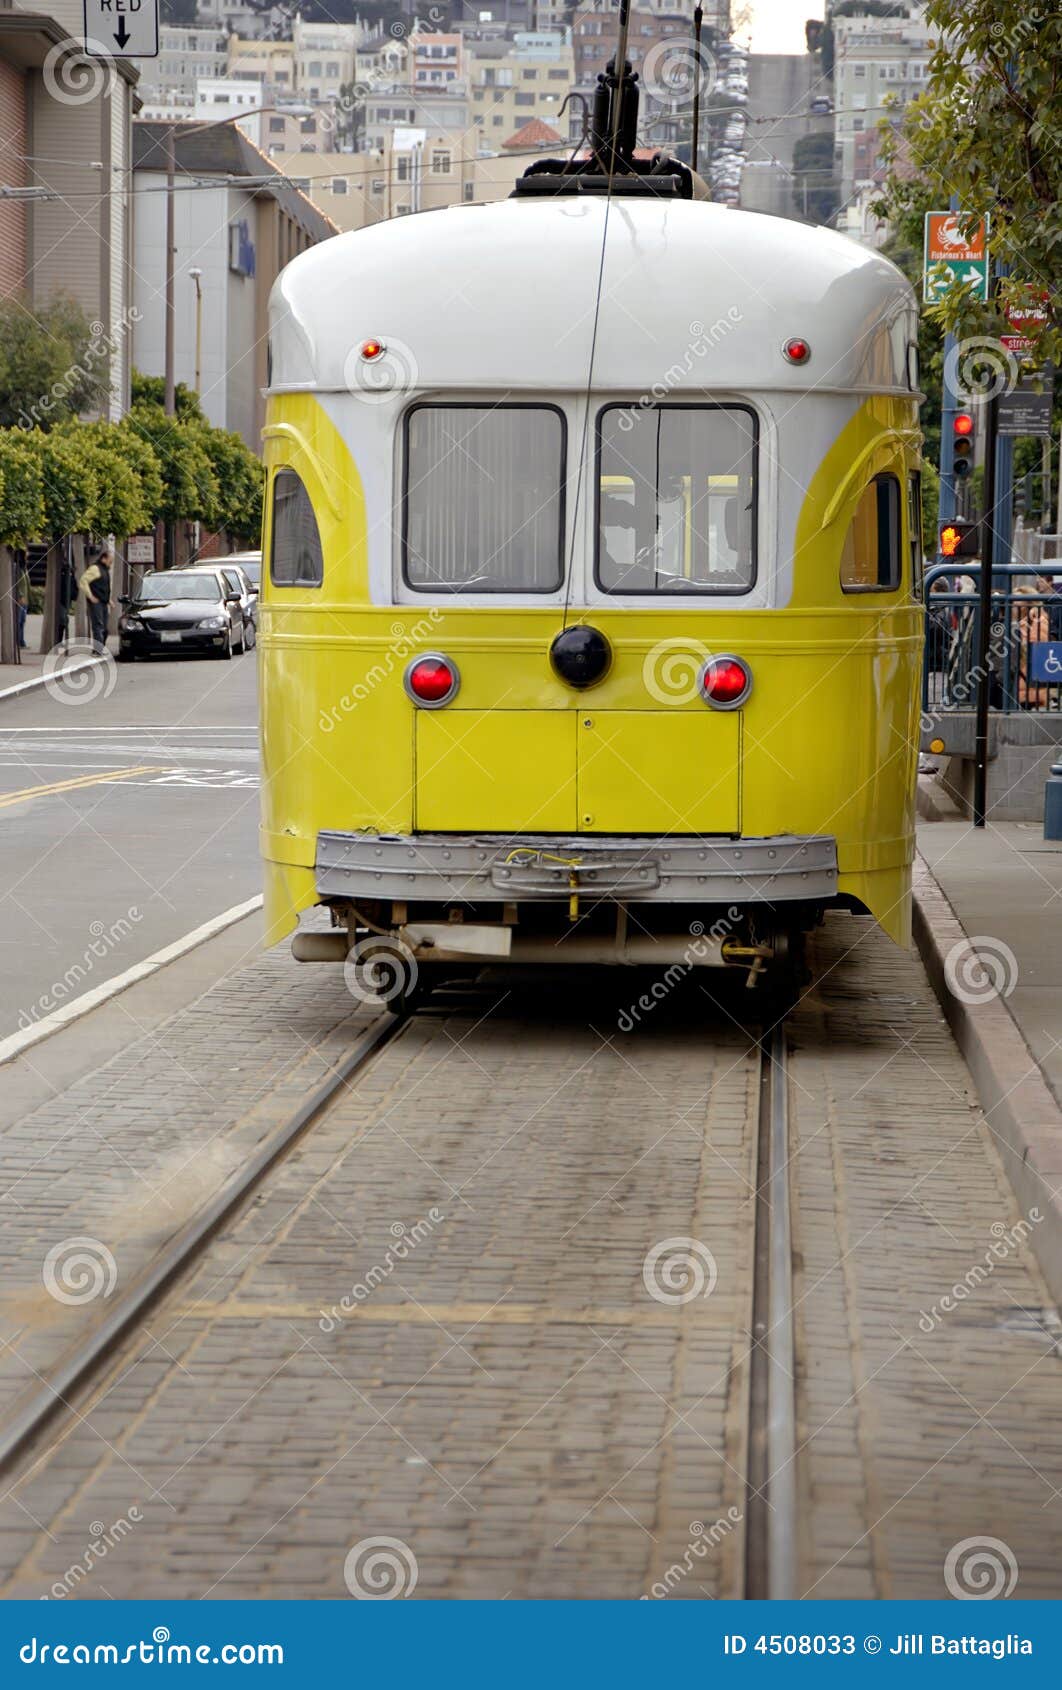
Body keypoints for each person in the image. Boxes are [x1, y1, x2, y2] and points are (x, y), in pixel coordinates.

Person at [79, 547, 112, 656]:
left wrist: (109, 600)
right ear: (104, 559)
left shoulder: (105, 570)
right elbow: (83, 580)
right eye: (110, 560)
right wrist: (90, 596)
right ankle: (98, 650)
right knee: (98, 625)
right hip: (96, 602)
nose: (110, 563)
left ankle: (99, 648)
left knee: (105, 627)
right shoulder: (95, 568)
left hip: (103, 602)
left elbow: (105, 588)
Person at [14, 559, 29, 653]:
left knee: (22, 621)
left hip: (25, 600)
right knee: (18, 621)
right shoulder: (17, 569)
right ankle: (18, 642)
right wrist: (20, 596)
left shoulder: (24, 569)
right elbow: (17, 583)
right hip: (20, 599)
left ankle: (21, 641)